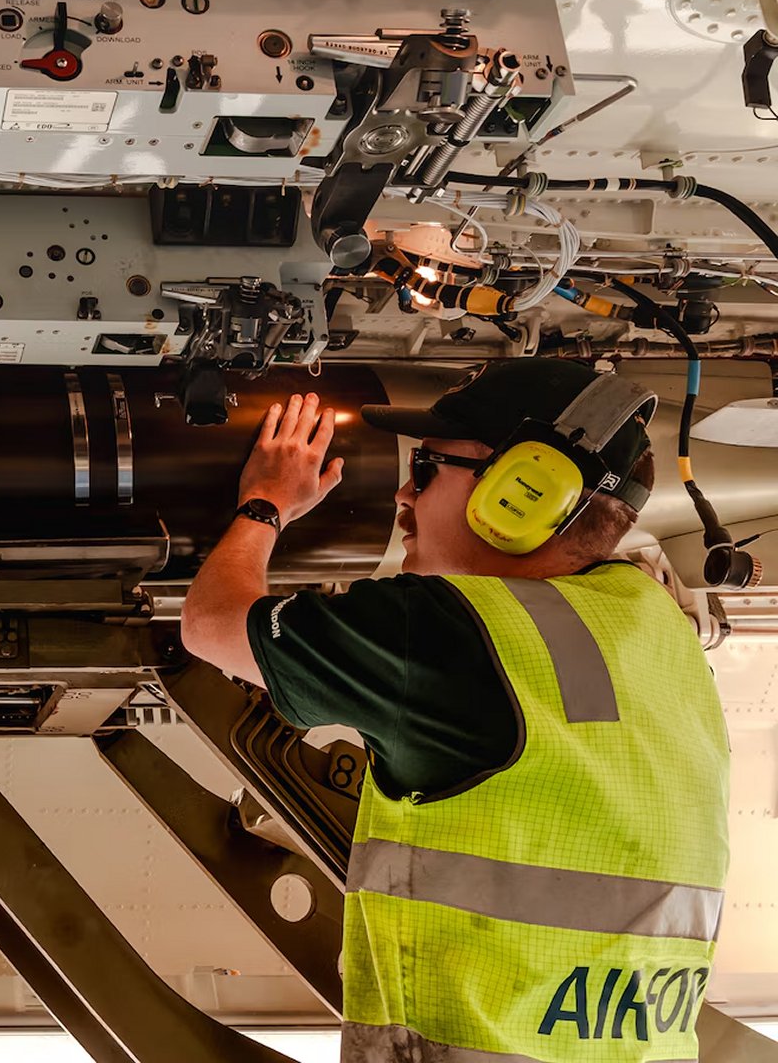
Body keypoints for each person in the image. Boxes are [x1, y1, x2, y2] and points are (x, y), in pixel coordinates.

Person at [181, 360, 729, 1063]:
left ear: (524, 493)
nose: (406, 493)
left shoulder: (452, 631)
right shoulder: (664, 637)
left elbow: (213, 623)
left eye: (429, 467)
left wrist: (265, 505)